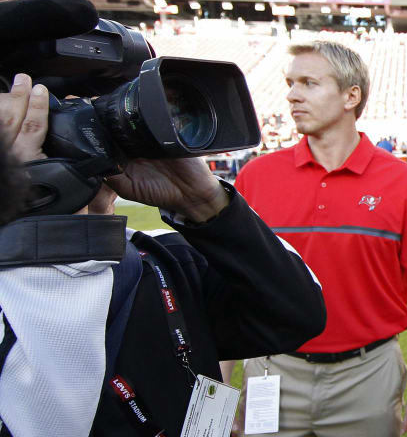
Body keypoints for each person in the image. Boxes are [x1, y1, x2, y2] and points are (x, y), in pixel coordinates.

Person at [0, 64, 326, 436]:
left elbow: (296, 316)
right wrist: (38, 216)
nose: (93, 136)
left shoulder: (161, 258)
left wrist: (206, 203)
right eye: (59, 119)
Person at [230, 41, 407, 437]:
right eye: (290, 83)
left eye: (308, 83)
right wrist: (219, 387)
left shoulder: (405, 183)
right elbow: (232, 285)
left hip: (368, 377)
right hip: (273, 370)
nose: (292, 95)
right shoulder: (256, 178)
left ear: (350, 96)